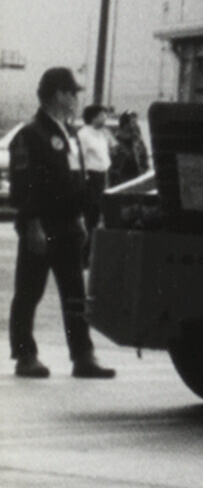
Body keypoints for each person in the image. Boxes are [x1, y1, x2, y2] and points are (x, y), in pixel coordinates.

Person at [9, 69, 114, 379]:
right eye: (72, 92)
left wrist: (81, 217)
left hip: (69, 224)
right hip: (42, 225)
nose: (76, 99)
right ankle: (25, 356)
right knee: (29, 292)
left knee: (75, 294)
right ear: (58, 93)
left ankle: (83, 356)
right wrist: (32, 226)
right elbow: (24, 186)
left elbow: (75, 179)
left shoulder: (68, 132)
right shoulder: (31, 134)